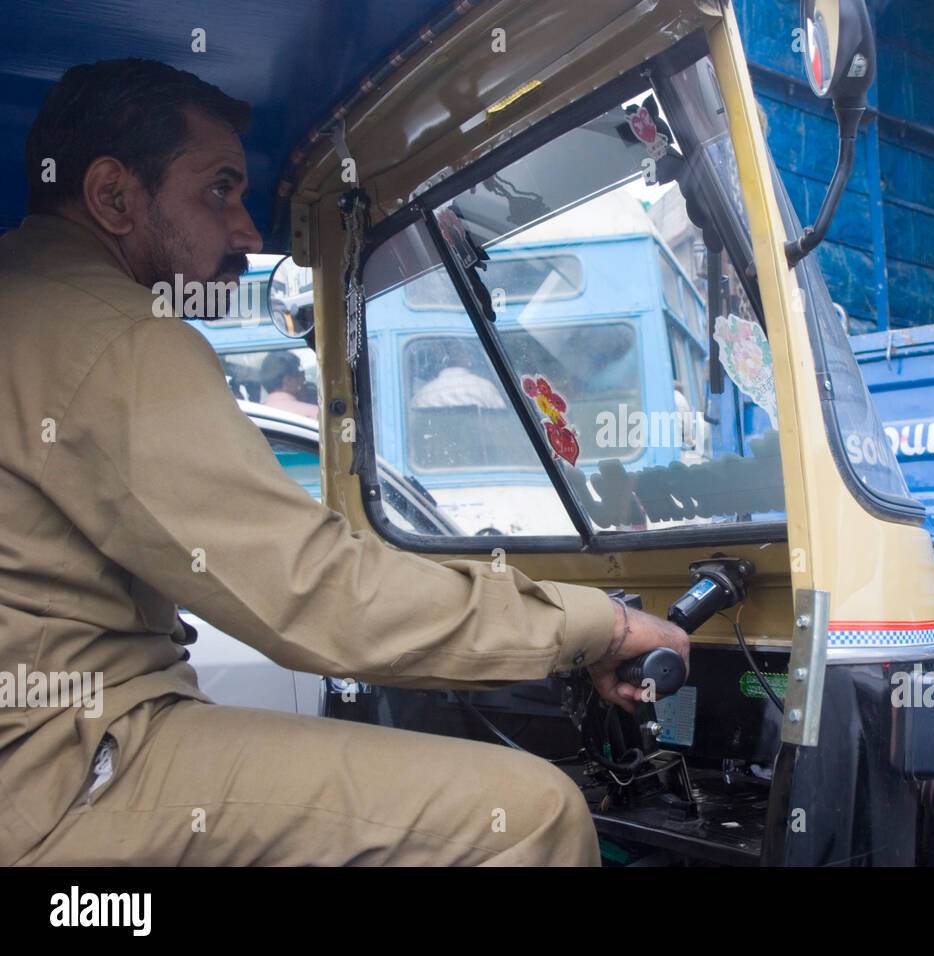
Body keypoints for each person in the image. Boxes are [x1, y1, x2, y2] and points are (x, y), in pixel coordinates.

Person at [0, 58, 688, 866]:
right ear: (113, 196)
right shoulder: (118, 336)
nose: (248, 234)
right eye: (219, 189)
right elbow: (317, 596)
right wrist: (594, 625)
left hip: (49, 758)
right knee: (531, 814)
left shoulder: (31, 305)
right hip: (64, 776)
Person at [259, 350, 319, 417]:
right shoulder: (314, 413)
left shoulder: (253, 415)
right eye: (300, 374)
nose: (304, 380)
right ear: (287, 380)